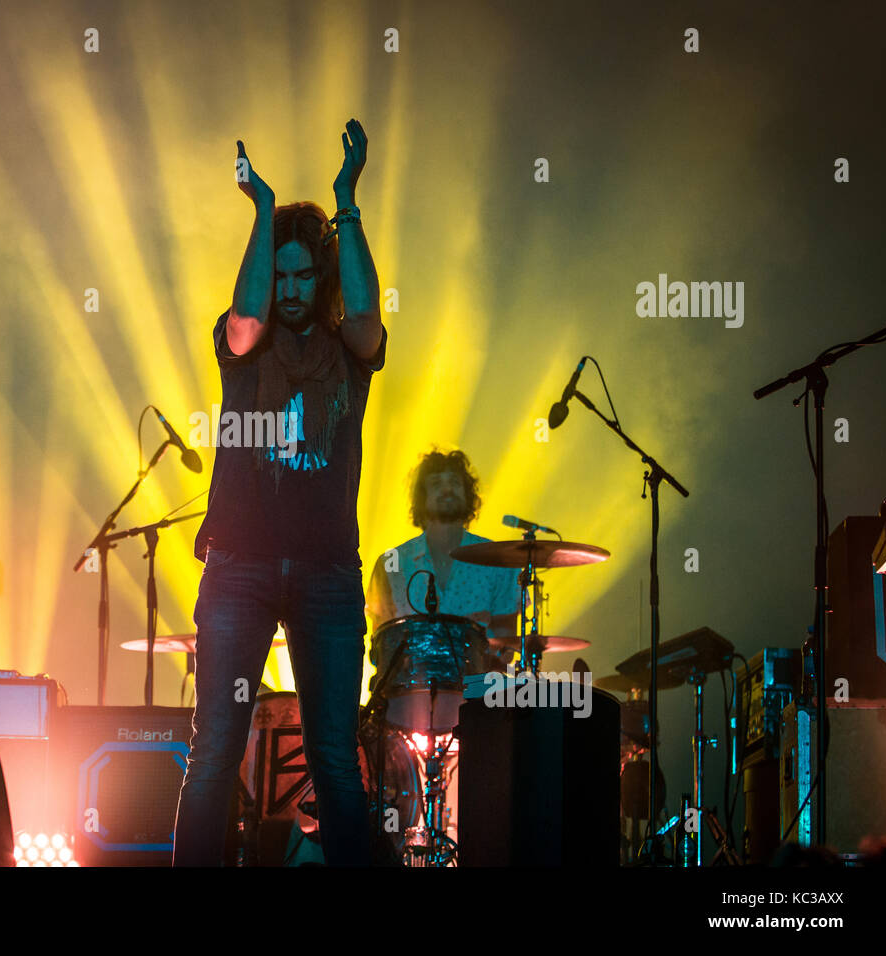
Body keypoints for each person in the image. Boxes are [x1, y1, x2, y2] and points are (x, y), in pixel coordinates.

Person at [173, 119, 386, 866]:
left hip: (327, 572)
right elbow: (247, 316)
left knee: (335, 762)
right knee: (213, 754)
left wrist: (346, 200)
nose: (291, 290)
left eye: (303, 277)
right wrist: (262, 211)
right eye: (282, 276)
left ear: (319, 279)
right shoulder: (243, 344)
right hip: (240, 566)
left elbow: (367, 318)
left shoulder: (348, 352)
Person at [366, 448, 520, 674]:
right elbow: (381, 647)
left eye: (455, 482)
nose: (447, 489)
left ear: (468, 493)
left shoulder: (498, 561)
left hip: (478, 688)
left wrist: (473, 643)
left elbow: (507, 649)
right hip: (412, 685)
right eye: (436, 483)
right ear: (422, 497)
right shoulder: (392, 563)